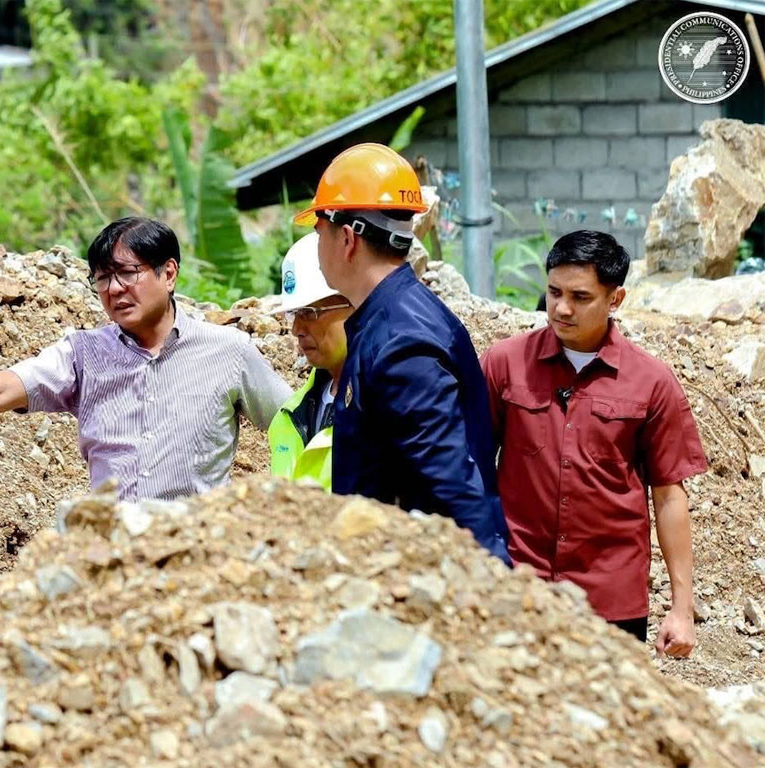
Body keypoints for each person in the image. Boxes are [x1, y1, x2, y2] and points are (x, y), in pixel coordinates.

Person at [0, 217, 291, 501]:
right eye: (102, 278)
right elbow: (1, 387)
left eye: (126, 274)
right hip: (106, 558)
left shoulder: (228, 352)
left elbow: (295, 426)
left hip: (197, 554)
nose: (113, 289)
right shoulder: (84, 355)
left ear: (168, 273)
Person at [480, 231, 706, 655]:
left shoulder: (651, 383)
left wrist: (681, 607)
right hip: (515, 587)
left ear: (615, 299)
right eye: (553, 292)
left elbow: (669, 494)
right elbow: (468, 464)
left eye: (580, 297)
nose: (562, 308)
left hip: (609, 601)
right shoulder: (504, 364)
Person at [296, 142, 510, 563]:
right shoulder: (386, 320)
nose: (315, 241)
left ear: (347, 238)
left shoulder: (400, 340)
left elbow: (450, 484)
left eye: (317, 229)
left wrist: (492, 585)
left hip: (425, 584)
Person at [268, 233, 353, 490]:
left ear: (356, 304)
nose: (296, 329)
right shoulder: (288, 415)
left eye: (309, 312)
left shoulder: (384, 409)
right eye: (294, 313)